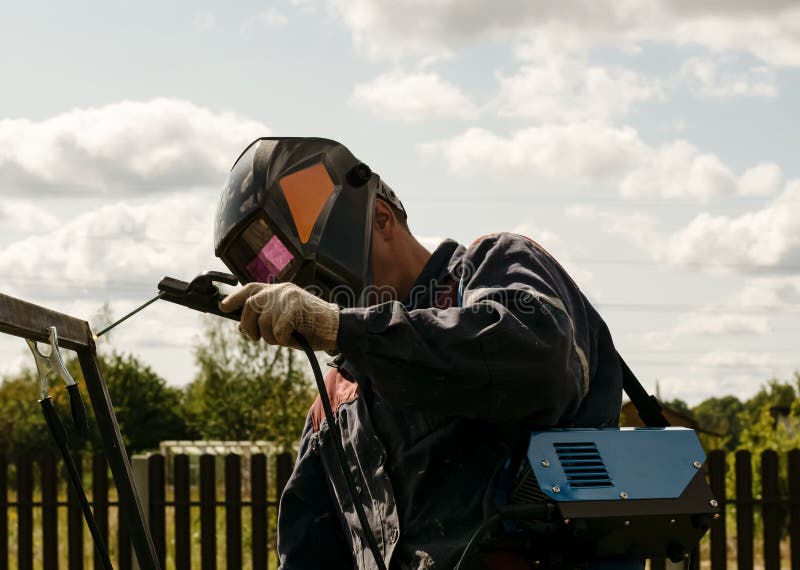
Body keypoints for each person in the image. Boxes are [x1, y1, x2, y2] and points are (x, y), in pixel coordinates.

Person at [214, 137, 624, 569]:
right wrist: (351, 336)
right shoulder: (335, 404)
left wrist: (342, 327)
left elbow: (538, 361)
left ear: (382, 218)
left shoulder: (492, 267)